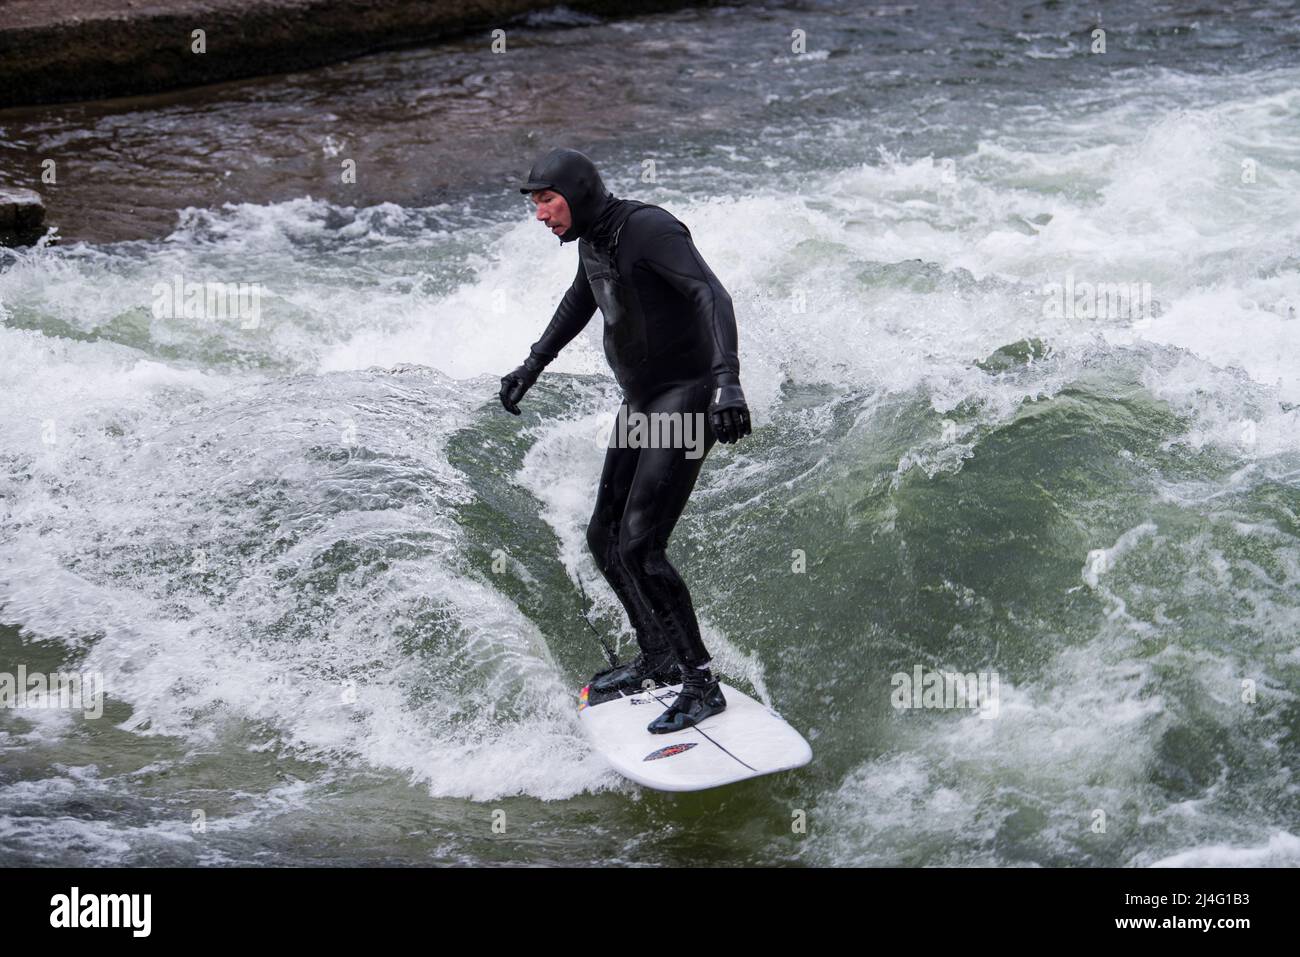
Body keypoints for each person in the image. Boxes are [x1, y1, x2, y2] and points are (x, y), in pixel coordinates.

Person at [499, 147, 752, 733]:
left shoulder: (650, 228)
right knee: (604, 534)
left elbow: (711, 295)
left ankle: (700, 683)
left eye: (547, 201)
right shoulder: (593, 239)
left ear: (579, 193)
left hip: (684, 399)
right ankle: (659, 657)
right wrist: (532, 365)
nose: (541, 215)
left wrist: (728, 385)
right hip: (640, 402)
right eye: (535, 204)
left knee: (640, 543)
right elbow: (581, 299)